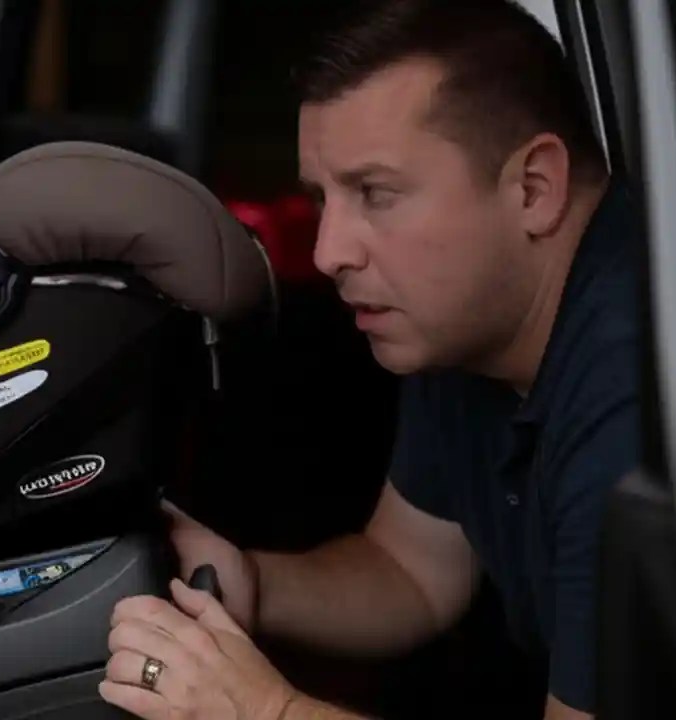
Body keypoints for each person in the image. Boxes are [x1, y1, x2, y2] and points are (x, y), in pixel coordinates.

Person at [99, 1, 640, 718]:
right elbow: (410, 573)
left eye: (376, 194)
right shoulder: (467, 323)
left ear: (533, 188)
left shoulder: (638, 396)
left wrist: (264, 710)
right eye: (323, 198)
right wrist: (249, 581)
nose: (329, 253)